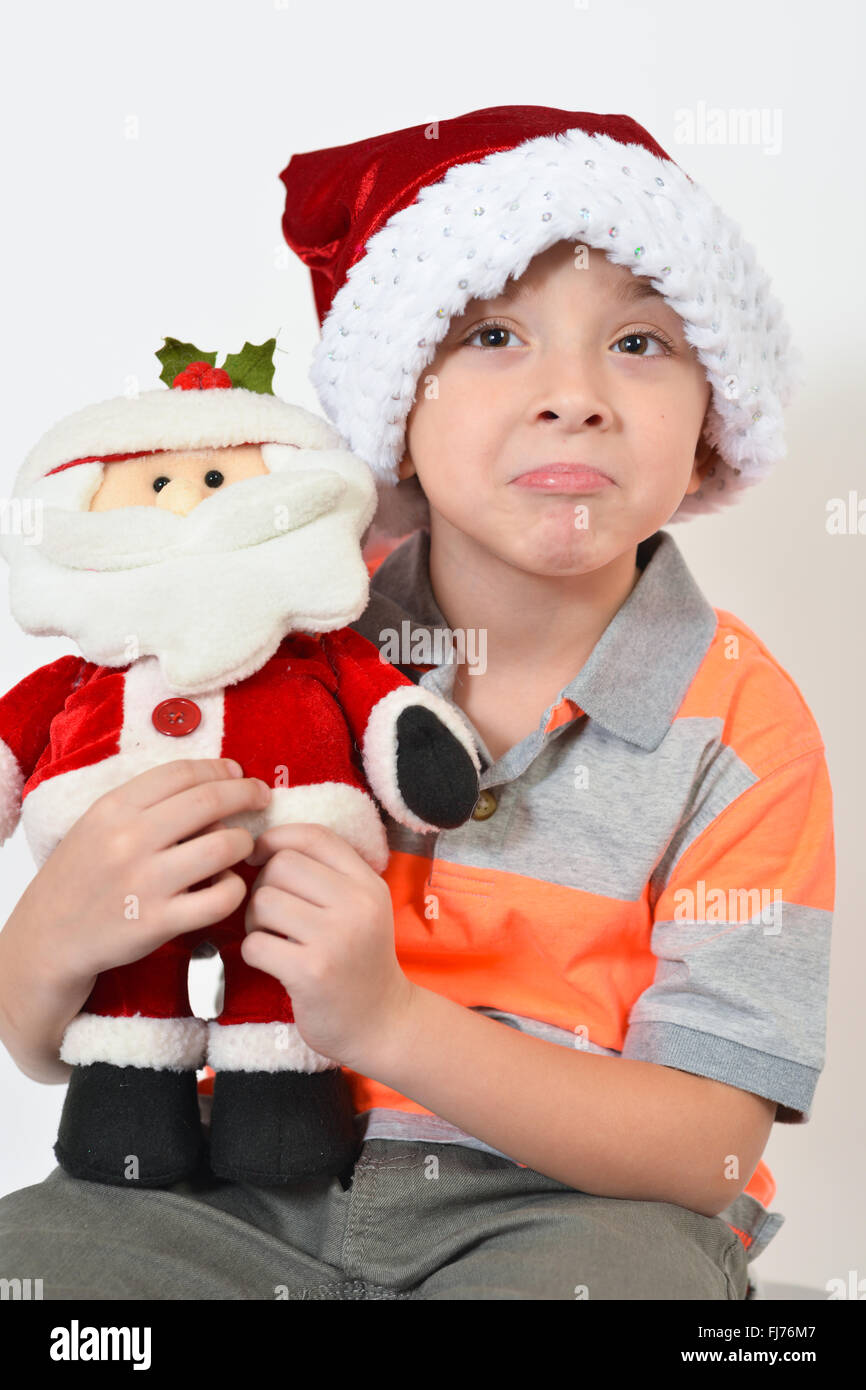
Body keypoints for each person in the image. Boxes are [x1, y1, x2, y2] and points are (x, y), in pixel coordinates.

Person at [0, 105, 834, 1300]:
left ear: (710, 426)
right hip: (227, 1184)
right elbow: (47, 1043)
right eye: (494, 332)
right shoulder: (260, 643)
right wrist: (48, 940)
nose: (573, 396)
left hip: (563, 1218)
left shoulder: (742, 727)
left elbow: (705, 1150)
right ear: (394, 405)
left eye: (640, 343)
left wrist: (388, 1022)